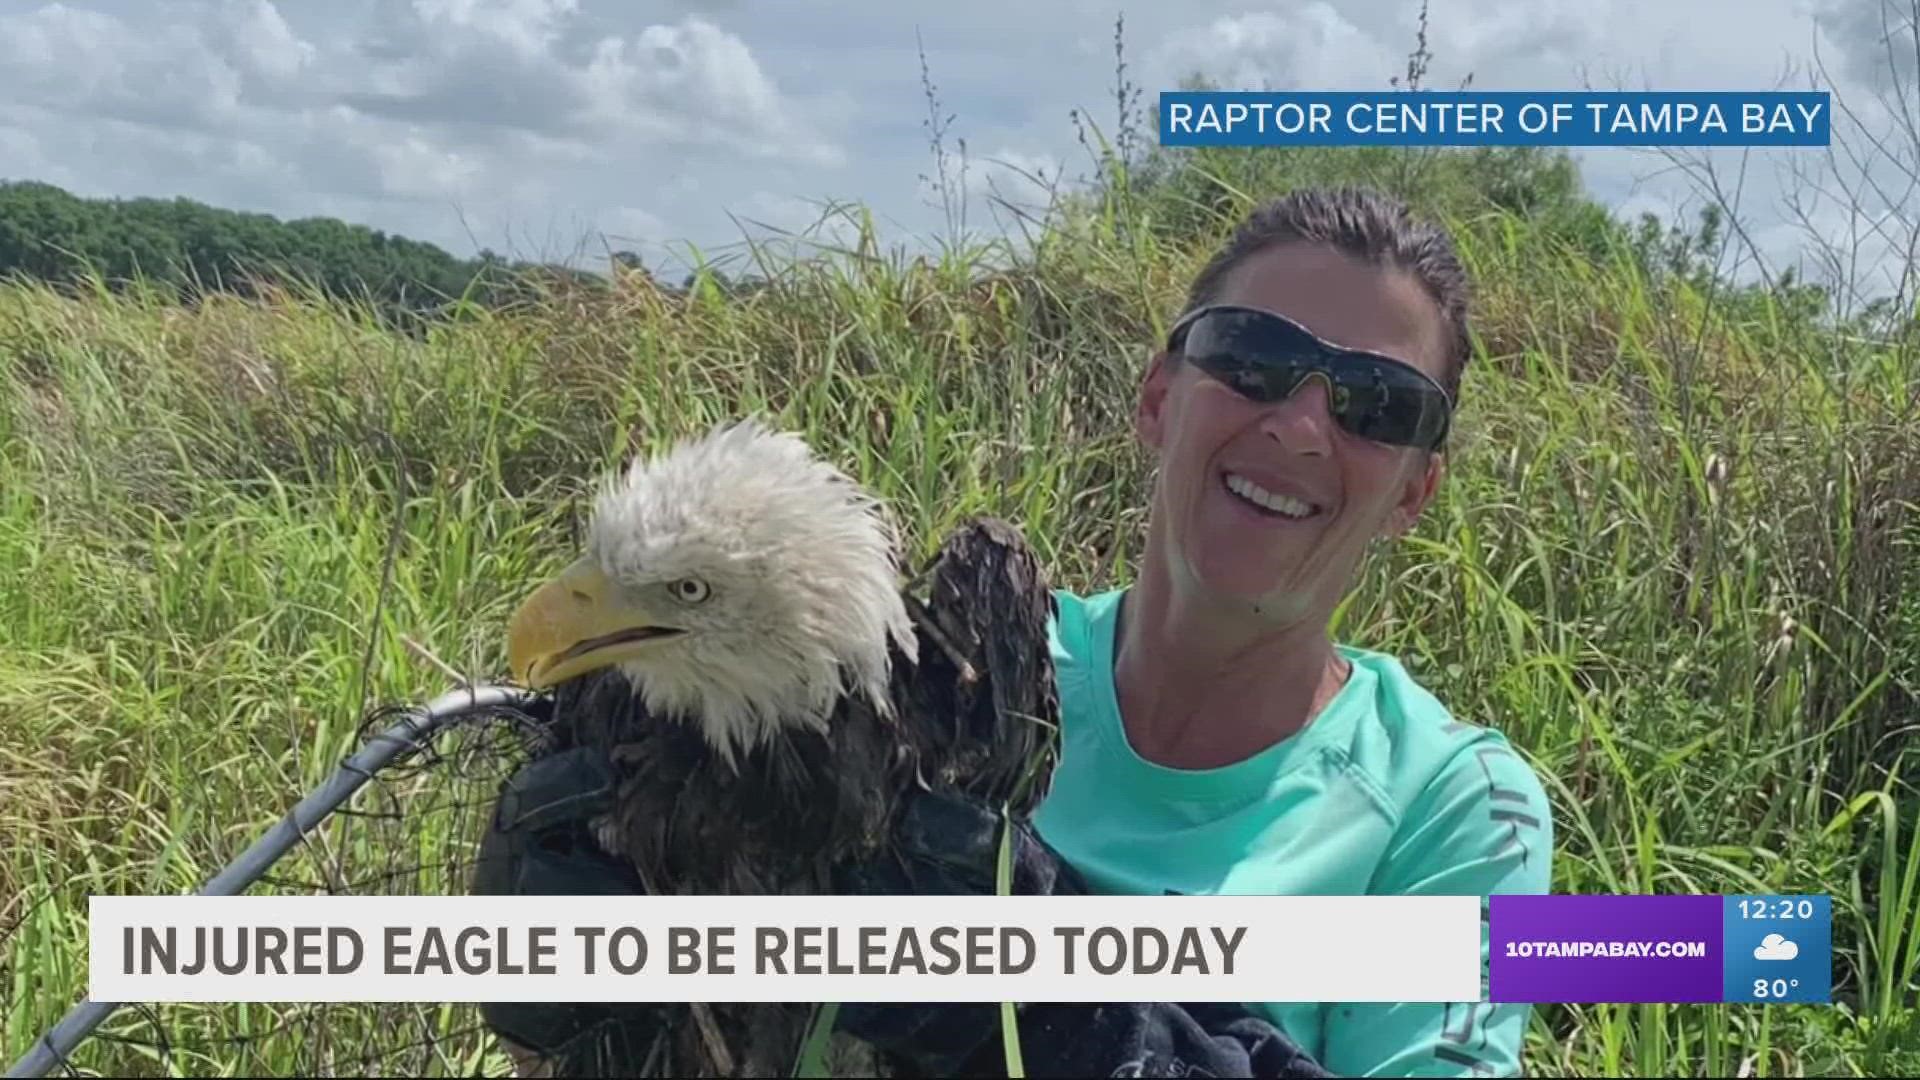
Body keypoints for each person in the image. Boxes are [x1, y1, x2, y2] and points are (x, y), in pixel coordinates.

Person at [476, 185, 1556, 1078]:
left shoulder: (1447, 805)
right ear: (1157, 397)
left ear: (1417, 491)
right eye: (1256, 359)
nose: (1303, 424)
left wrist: (1067, 1020)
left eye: (1379, 403)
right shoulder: (942, 675)